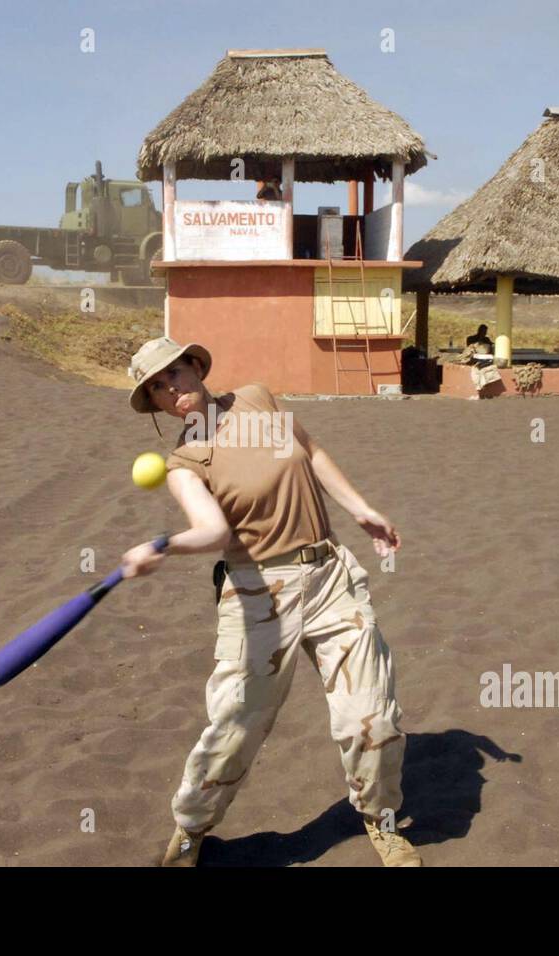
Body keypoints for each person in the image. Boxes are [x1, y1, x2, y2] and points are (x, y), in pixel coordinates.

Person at [120, 336, 419, 867]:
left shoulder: (258, 399)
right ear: (157, 405)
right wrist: (163, 544)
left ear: (195, 366)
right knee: (235, 725)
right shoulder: (184, 462)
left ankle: (380, 818)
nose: (173, 390)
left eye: (175, 374)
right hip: (258, 594)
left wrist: (360, 510)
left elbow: (313, 451)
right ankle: (191, 830)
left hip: (329, 576)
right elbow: (211, 531)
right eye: (159, 389)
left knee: (370, 718)